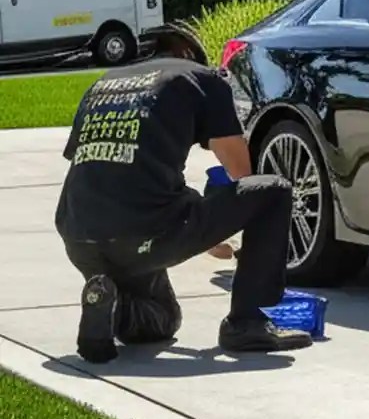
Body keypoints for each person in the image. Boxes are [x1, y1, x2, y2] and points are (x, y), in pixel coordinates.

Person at [54, 21, 312, 364]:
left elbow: (108, 172)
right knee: (273, 191)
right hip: (146, 233)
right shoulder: (202, 78)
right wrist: (218, 232)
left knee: (162, 320)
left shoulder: (104, 85)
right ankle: (247, 322)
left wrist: (200, 228)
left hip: (80, 238)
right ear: (190, 54)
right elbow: (243, 177)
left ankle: (109, 302)